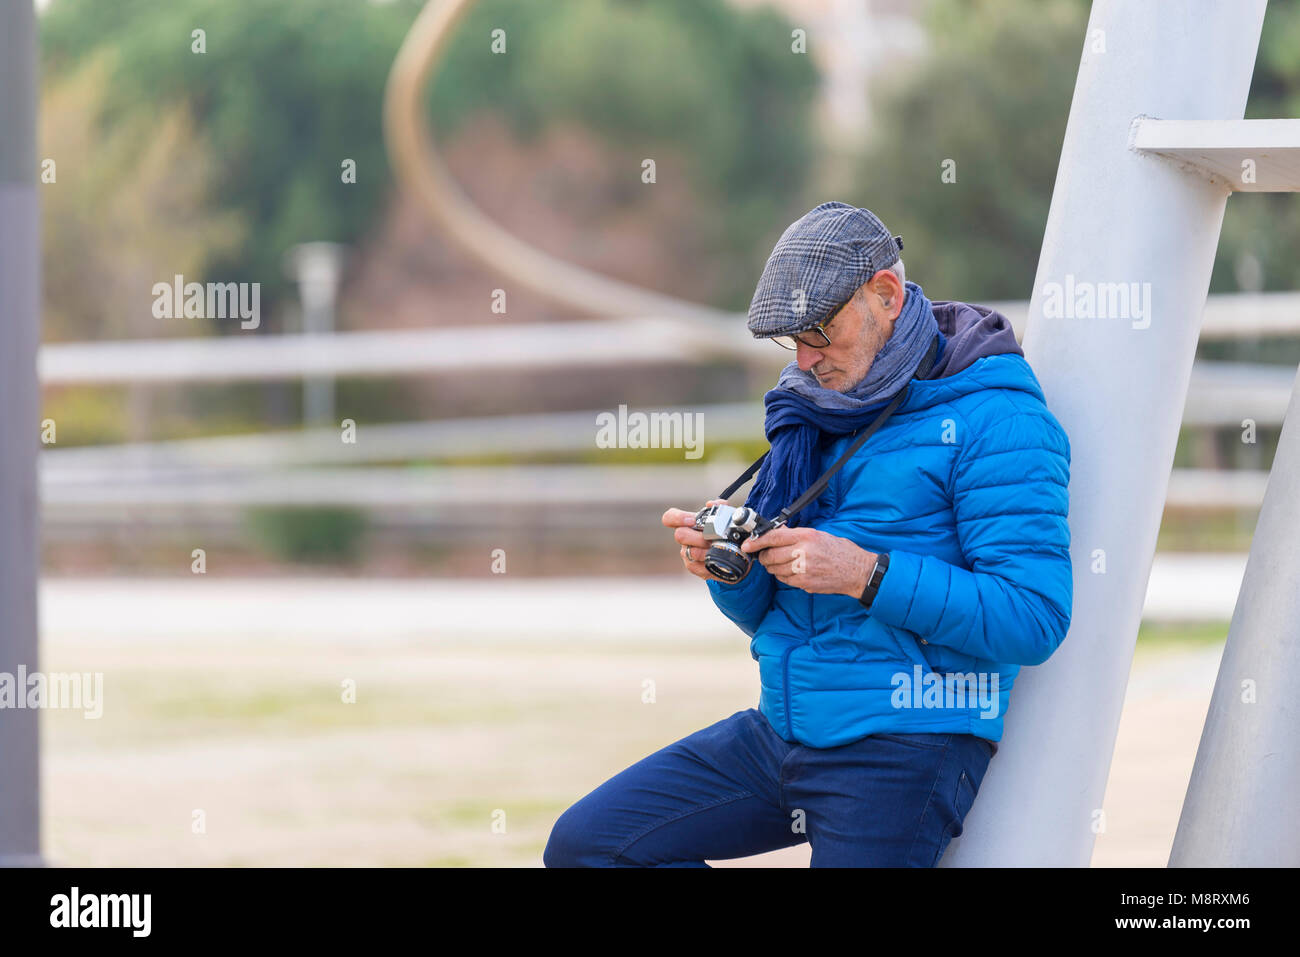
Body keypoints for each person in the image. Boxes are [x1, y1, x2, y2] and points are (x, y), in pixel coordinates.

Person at [544, 201, 1072, 867]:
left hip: (907, 743)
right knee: (588, 846)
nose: (805, 358)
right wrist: (731, 570)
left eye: (819, 330)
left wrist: (866, 575)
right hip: (785, 726)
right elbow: (778, 615)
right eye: (792, 338)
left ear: (884, 293)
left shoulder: (1000, 419)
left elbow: (1035, 617)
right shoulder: (809, 414)